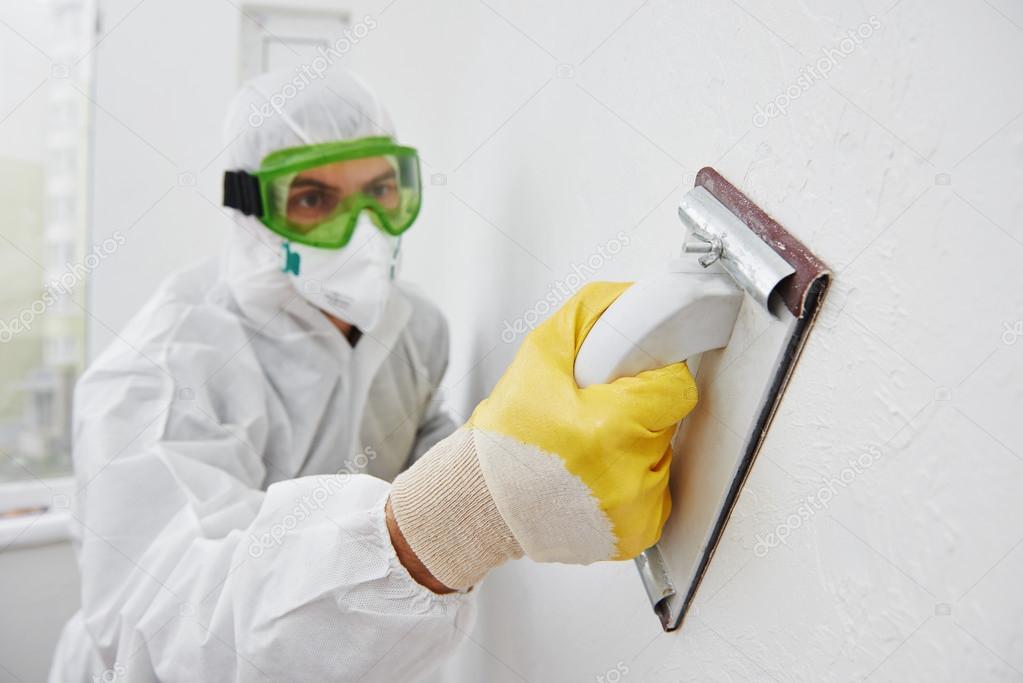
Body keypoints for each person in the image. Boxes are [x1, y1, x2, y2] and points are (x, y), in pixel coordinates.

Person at [49, 68, 697, 682]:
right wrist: (463, 514)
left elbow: (420, 447)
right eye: (312, 198)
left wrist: (519, 442)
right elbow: (167, 633)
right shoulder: (155, 376)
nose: (362, 229)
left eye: (381, 192)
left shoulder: (413, 328)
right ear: (249, 208)